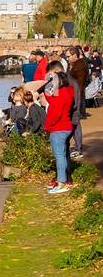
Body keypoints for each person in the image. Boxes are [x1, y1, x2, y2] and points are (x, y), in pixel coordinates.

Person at [43, 63, 76, 194]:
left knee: (59, 156)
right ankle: (62, 180)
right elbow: (50, 98)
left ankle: (62, 182)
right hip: (66, 126)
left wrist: (48, 126)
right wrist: (46, 87)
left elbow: (55, 112)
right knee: (62, 154)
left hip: (59, 128)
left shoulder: (60, 95)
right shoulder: (67, 91)